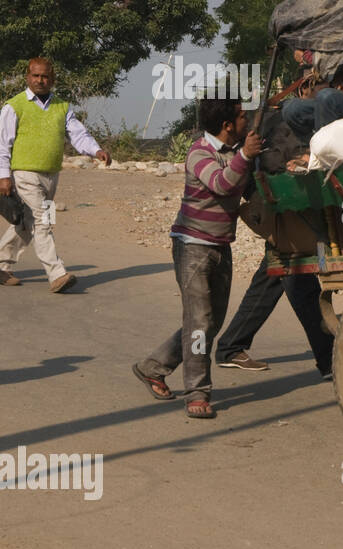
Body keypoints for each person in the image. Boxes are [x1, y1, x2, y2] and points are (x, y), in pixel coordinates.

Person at [132, 95, 263, 419]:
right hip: (193, 246)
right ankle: (198, 392)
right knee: (201, 323)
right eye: (242, 117)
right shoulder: (199, 152)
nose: (247, 122)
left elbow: (245, 188)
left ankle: (154, 366)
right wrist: (246, 155)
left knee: (207, 322)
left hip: (220, 245)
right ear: (227, 125)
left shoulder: (234, 153)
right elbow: (221, 184)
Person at [0, 57, 110, 291]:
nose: (40, 80)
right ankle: (56, 273)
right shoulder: (14, 106)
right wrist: (3, 175)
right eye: (36, 76)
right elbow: (2, 144)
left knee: (32, 220)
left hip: (51, 176)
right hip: (25, 174)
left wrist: (96, 150)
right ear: (28, 77)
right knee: (43, 220)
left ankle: (1, 265)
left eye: (45, 76)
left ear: (53, 79)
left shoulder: (62, 106)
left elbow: (78, 134)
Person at [214, 254, 334, 377]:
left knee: (268, 285)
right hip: (290, 246)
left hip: (285, 243)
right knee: (304, 291)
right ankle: (331, 361)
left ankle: (230, 347)